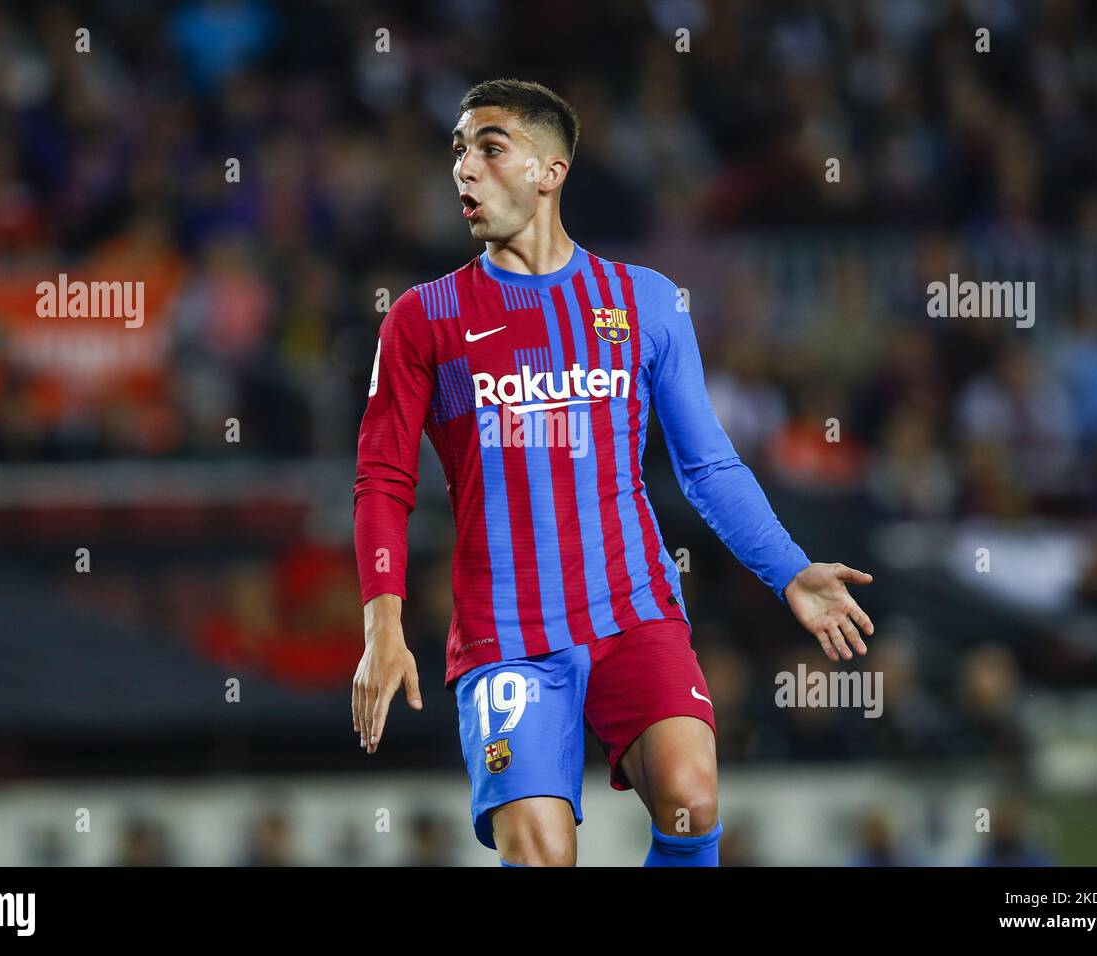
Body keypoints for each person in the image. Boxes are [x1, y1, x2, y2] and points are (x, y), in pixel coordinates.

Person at [351, 79, 874, 866]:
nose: (464, 169)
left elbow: (707, 465)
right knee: (539, 857)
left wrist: (790, 571)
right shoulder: (424, 318)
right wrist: (382, 628)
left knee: (693, 803)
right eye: (458, 152)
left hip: (631, 612)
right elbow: (383, 478)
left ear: (549, 171)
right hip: (507, 639)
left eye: (490, 150)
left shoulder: (642, 303)